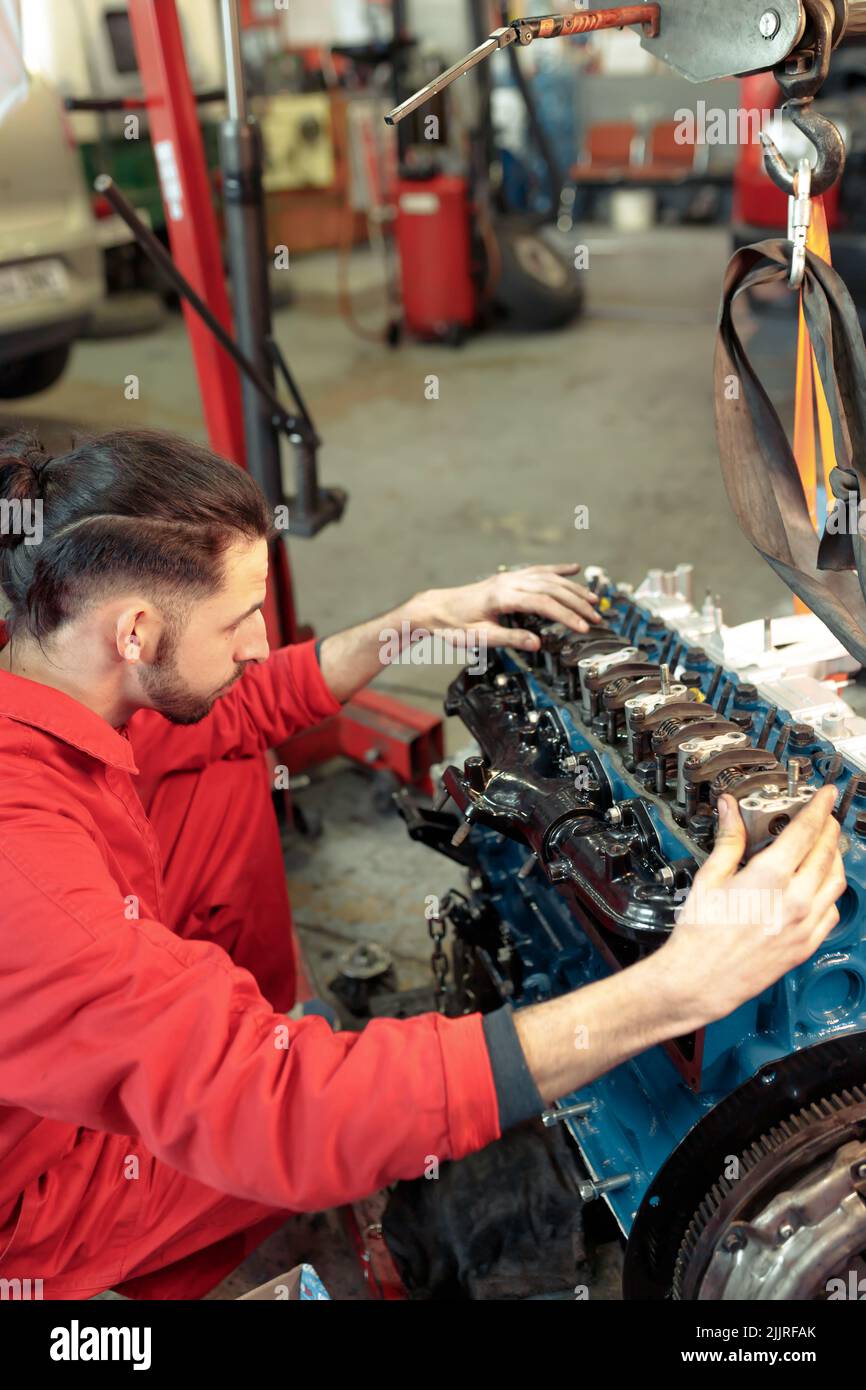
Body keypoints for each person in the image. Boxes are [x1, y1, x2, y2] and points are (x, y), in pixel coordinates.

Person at [0, 429, 845, 1299]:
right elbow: (285, 1110)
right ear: (134, 630)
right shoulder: (30, 876)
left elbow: (248, 702)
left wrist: (416, 622)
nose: (259, 642)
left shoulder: (63, 687)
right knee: (330, 1122)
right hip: (37, 1212)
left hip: (61, 1104)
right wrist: (675, 990)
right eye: (238, 618)